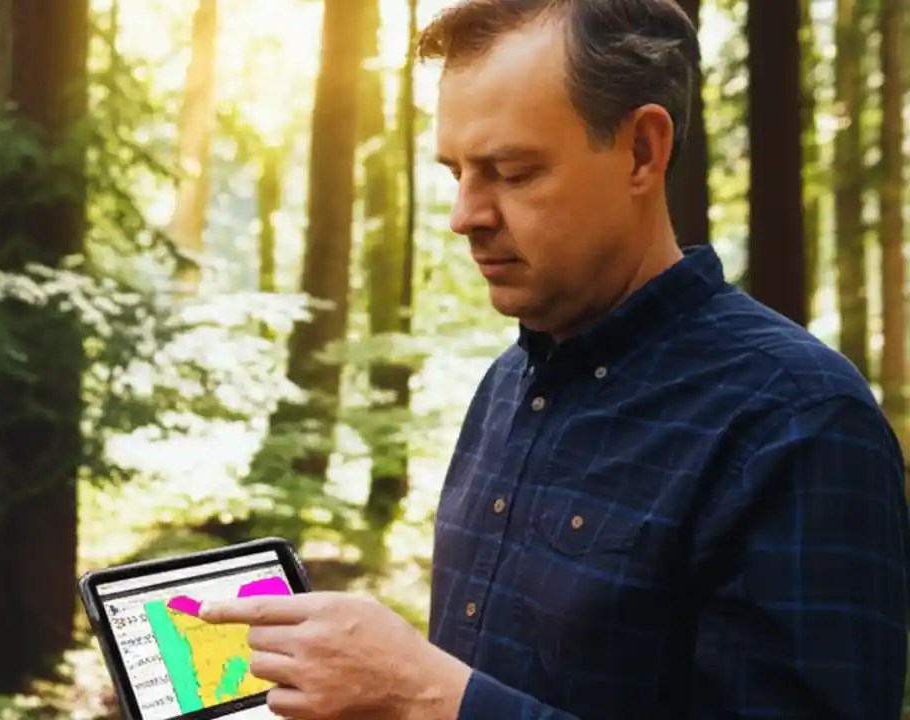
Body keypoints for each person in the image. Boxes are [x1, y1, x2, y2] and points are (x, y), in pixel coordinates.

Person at [200, 0, 910, 718]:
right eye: (456, 173)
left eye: (511, 170)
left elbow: (450, 701)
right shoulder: (506, 386)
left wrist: (425, 695)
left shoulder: (798, 420)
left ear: (641, 151)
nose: (464, 216)